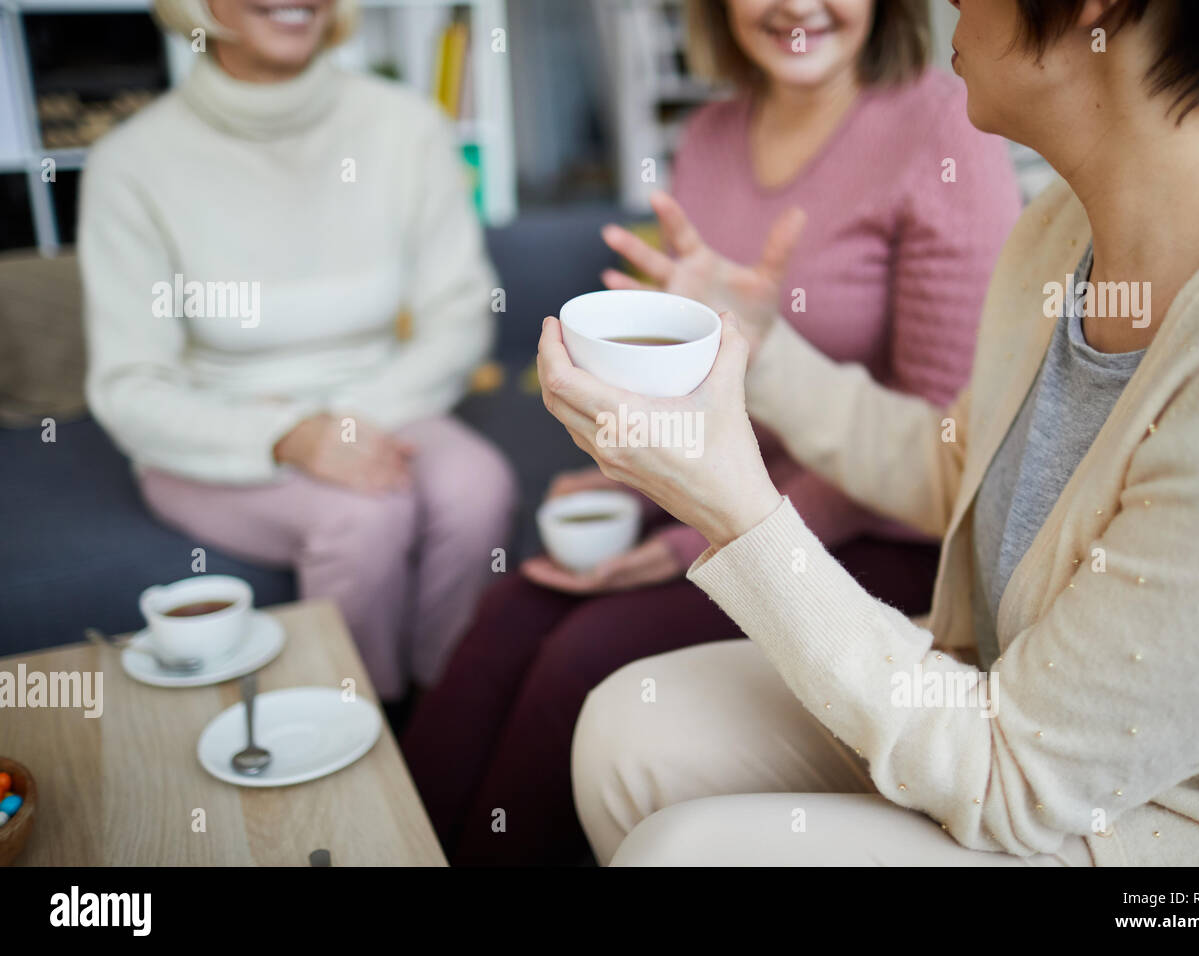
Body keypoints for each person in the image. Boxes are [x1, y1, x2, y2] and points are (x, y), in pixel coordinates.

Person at [554, 0, 1199, 865]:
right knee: (630, 725)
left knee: (688, 853)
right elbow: (961, 470)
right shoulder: (1063, 226)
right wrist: (758, 348)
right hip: (1013, 705)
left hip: (1187, 840)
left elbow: (1018, 776)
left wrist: (736, 511)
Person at [403, 0, 1020, 864]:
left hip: (875, 537)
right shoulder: (712, 132)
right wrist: (637, 483)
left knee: (582, 659)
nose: (796, 6)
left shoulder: (945, 127)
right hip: (719, 492)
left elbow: (943, 438)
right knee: (514, 606)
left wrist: (690, 521)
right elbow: (698, 369)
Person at [80, 0, 515, 703]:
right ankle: (356, 734)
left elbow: (461, 317)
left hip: (383, 399)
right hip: (214, 426)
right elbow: (130, 387)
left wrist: (338, 425)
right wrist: (285, 436)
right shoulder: (129, 163)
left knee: (478, 487)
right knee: (366, 517)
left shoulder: (408, 128)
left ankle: (447, 717)